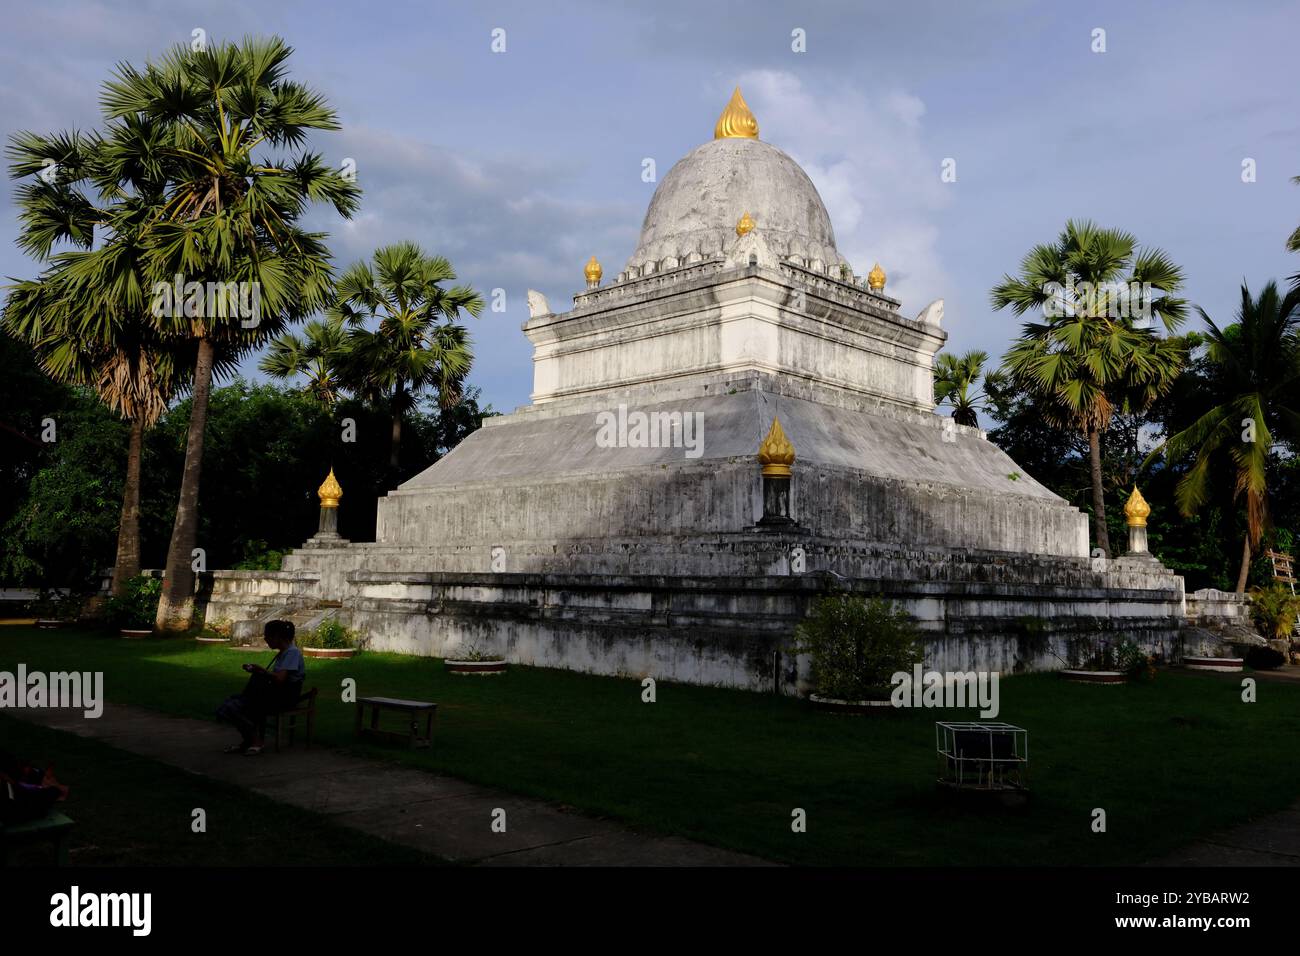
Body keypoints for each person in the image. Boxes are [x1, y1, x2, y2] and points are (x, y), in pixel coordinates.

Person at [216, 619, 306, 755]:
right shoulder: (284, 652)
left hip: (284, 697)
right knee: (233, 705)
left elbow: (280, 679)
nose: (265, 639)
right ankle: (250, 739)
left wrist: (262, 671)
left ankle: (254, 739)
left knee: (236, 707)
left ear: (277, 636)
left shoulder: (292, 652)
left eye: (268, 636)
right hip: (275, 694)